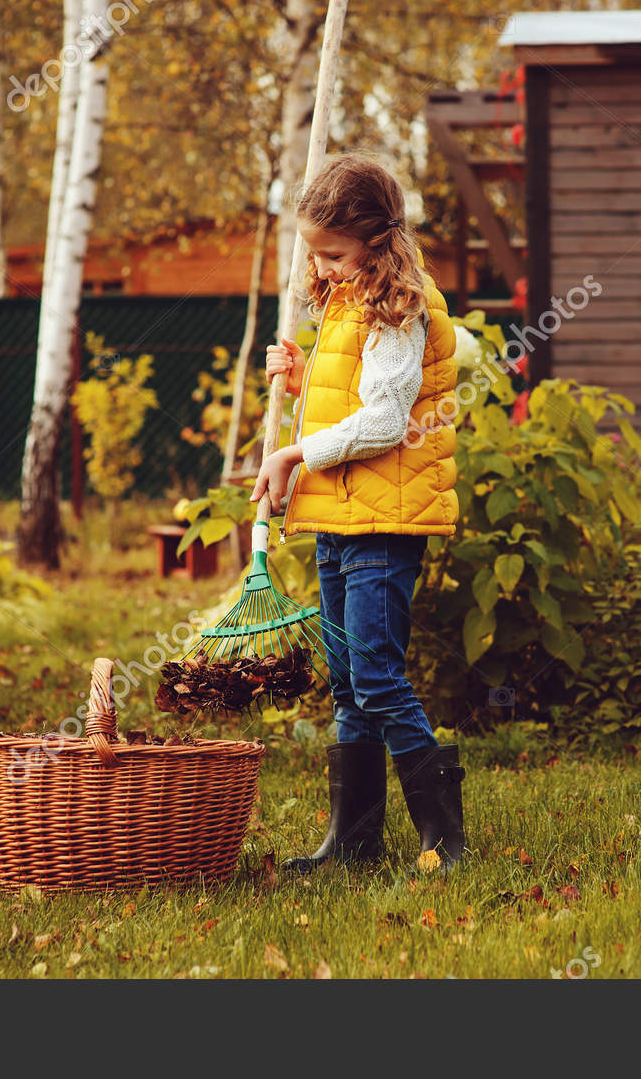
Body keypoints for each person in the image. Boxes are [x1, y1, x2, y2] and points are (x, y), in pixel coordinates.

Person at [252, 152, 465, 872]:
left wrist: (291, 457)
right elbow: (348, 395)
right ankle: (355, 840)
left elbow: (382, 419)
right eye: (314, 253)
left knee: (376, 671)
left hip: (385, 518)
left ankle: (445, 837)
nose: (324, 267)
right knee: (347, 679)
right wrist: (302, 373)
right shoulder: (349, 299)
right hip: (342, 516)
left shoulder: (400, 305)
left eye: (334, 253)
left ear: (376, 239)